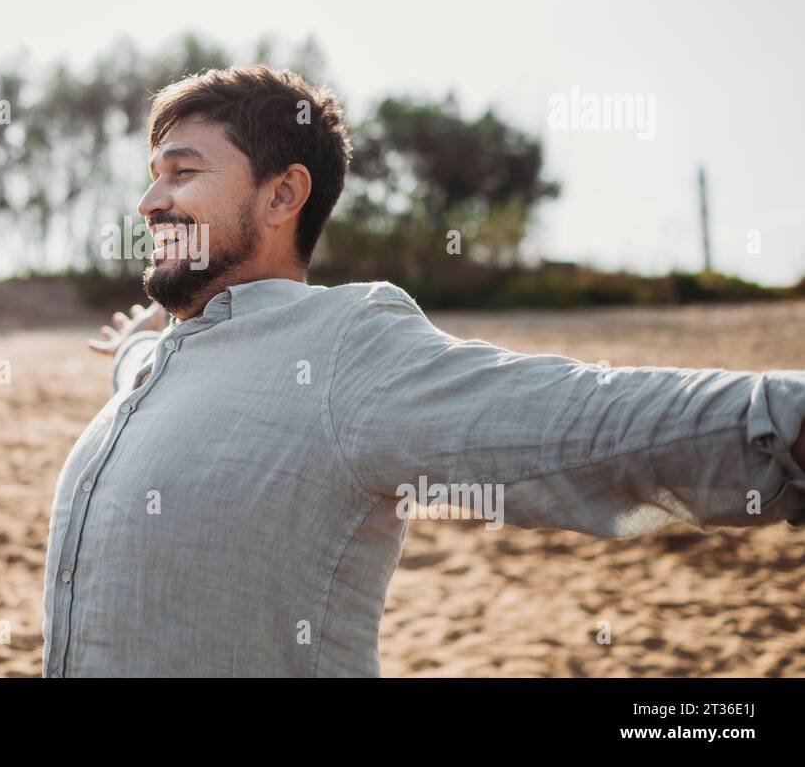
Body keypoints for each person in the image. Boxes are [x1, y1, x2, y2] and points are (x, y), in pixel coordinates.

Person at [41, 64, 805, 677]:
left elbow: (577, 421)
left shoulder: (342, 350)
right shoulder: (161, 367)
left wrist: (786, 423)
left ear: (282, 194)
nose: (149, 200)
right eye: (152, 175)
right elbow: (162, 383)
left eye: (181, 172)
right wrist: (139, 347)